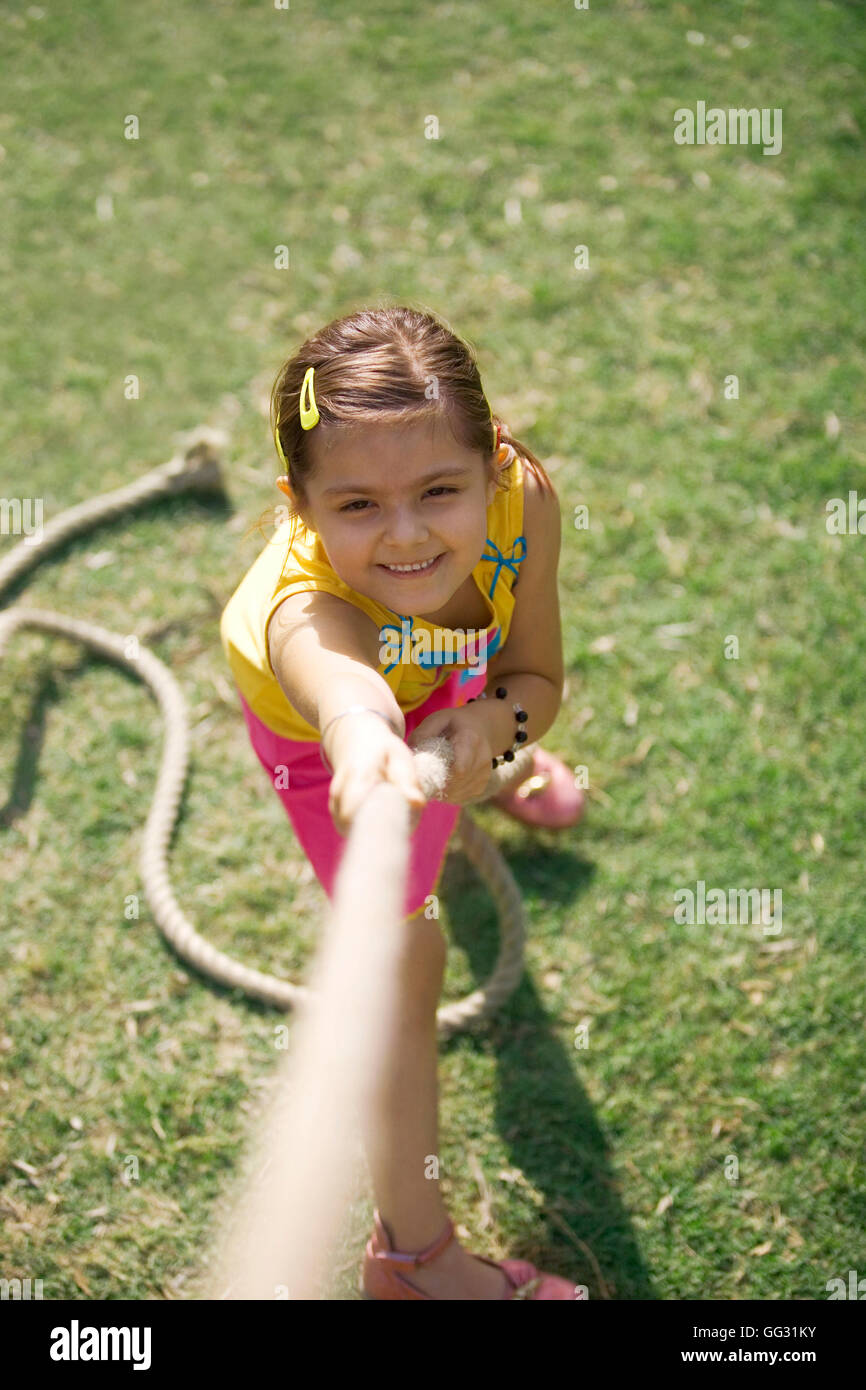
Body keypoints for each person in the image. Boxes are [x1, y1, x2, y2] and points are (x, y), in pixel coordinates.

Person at [220, 305, 584, 1299]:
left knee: (473, 695)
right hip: (329, 744)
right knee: (405, 968)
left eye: (438, 489)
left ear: (493, 458)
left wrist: (494, 730)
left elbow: (534, 674)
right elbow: (346, 691)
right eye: (357, 507)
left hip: (441, 681)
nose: (409, 533)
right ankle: (414, 1263)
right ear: (298, 506)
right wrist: (366, 746)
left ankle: (481, 770)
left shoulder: (523, 504)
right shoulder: (306, 611)